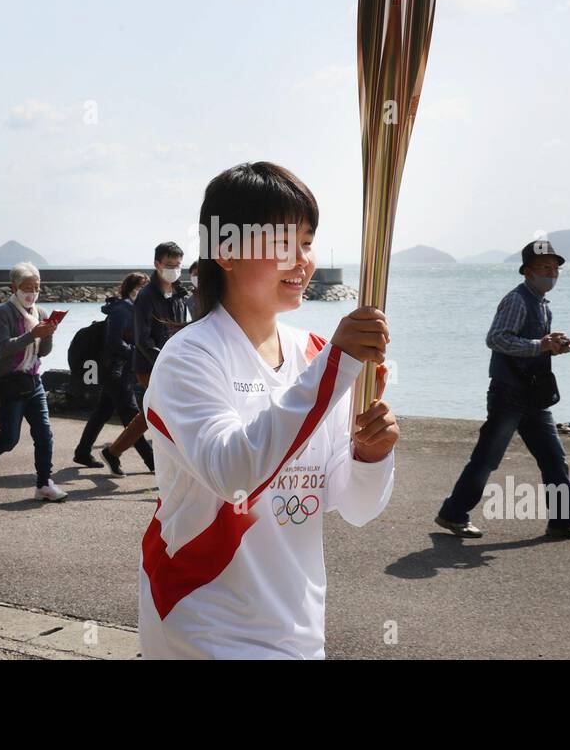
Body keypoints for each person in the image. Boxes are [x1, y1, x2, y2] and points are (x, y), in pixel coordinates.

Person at [139, 161, 398, 659]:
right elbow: (235, 473)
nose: (302, 261)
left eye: (306, 241)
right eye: (283, 243)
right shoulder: (189, 358)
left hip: (298, 629)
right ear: (226, 251)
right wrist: (335, 368)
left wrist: (370, 454)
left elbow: (357, 508)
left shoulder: (313, 354)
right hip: (205, 622)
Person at [435, 241, 570, 540]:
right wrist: (540, 345)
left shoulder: (541, 303)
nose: (552, 273)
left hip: (532, 396)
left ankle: (564, 521)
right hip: (509, 394)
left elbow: (529, 343)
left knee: (554, 458)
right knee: (487, 458)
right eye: (544, 268)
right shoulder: (518, 300)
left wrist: (551, 342)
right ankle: (453, 513)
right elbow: (496, 339)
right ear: (527, 272)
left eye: (555, 268)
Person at [0, 262, 66, 502]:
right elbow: (4, 348)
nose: (32, 293)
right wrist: (33, 335)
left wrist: (49, 334)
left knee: (44, 434)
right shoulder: (4, 312)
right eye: (27, 287)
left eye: (36, 287)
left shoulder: (40, 313)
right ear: (14, 287)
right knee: (9, 438)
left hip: (34, 381)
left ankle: (44, 483)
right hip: (10, 384)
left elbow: (42, 353)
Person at [101, 241, 190, 475]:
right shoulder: (146, 297)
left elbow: (182, 329)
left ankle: (113, 451)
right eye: (169, 264)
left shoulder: (179, 293)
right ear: (157, 264)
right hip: (149, 364)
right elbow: (142, 340)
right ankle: (176, 464)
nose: (174, 269)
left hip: (173, 362)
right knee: (171, 410)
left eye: (178, 265)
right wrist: (166, 361)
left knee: (151, 412)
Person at [74, 272, 150, 468]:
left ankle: (82, 452)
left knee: (102, 411)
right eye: (139, 288)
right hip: (116, 371)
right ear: (130, 289)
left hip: (119, 370)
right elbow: (114, 342)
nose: (142, 292)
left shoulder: (133, 309)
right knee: (132, 417)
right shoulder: (123, 310)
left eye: (145, 289)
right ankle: (151, 461)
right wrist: (136, 353)